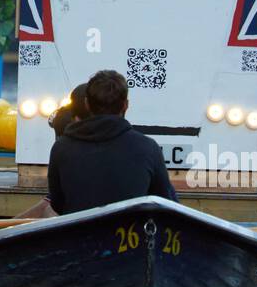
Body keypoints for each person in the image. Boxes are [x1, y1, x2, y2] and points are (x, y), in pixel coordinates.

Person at [45, 69, 177, 215]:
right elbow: (166, 204)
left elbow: (57, 204)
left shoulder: (61, 148)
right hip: (129, 236)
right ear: (125, 105)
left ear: (87, 104)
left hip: (79, 235)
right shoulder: (148, 148)